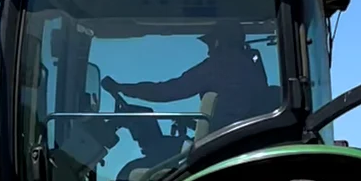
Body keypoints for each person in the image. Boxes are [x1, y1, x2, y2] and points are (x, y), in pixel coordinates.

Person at [101, 21, 279, 127]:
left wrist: (122, 88)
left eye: (209, 44)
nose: (208, 51)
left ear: (218, 42)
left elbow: (168, 91)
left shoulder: (218, 66)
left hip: (225, 143)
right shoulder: (251, 67)